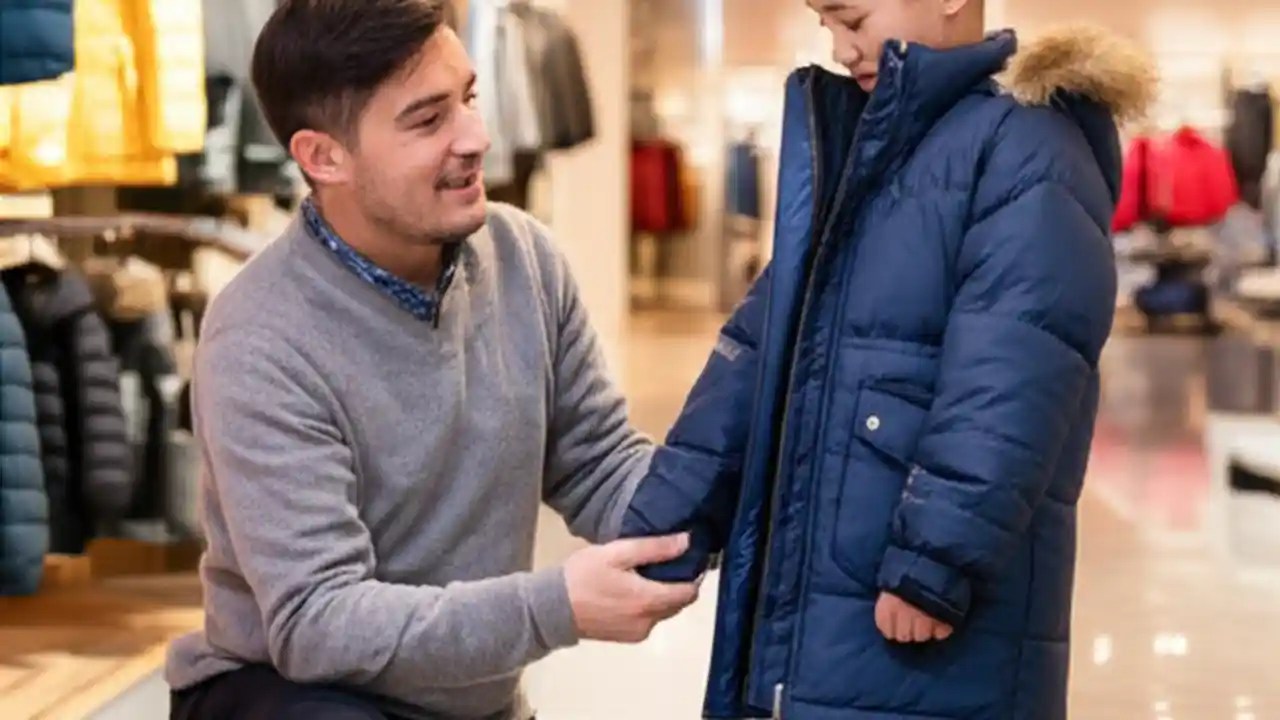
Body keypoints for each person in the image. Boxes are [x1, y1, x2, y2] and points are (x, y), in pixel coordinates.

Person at [164, 2, 701, 719]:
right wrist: (557, 607)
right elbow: (317, 623)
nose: (477, 137)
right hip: (288, 696)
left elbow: (599, 465)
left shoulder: (524, 259)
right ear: (323, 156)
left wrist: (737, 495)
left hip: (464, 701)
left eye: (469, 99)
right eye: (428, 120)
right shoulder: (260, 335)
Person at [619, 2, 1155, 719]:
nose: (840, 48)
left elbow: (1020, 373)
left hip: (924, 611)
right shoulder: (874, 153)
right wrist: (665, 518)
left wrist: (939, 555)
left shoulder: (1031, 149)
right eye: (826, 26)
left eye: (854, 19)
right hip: (830, 594)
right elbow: (761, 350)